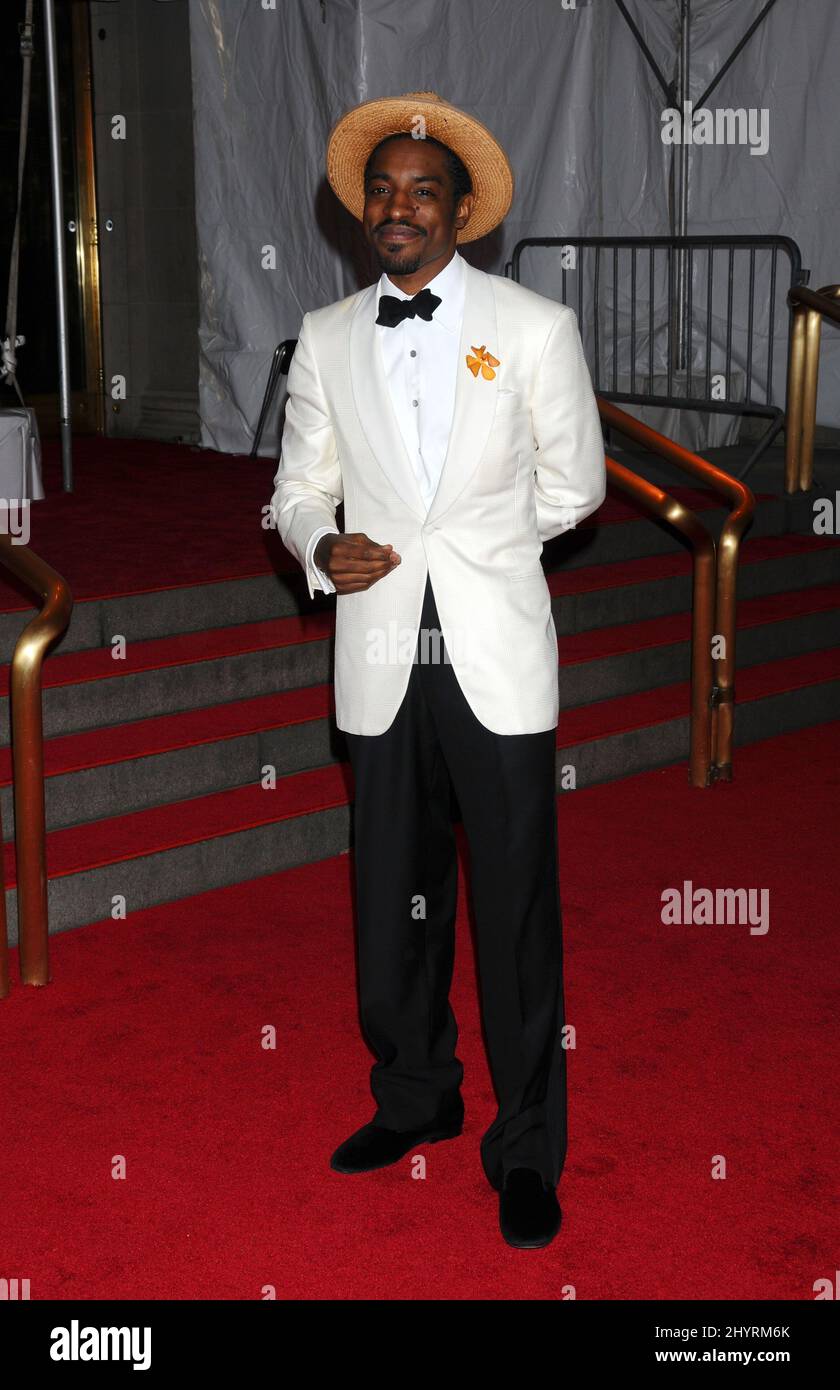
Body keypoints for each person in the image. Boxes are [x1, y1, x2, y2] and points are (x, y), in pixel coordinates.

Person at [270, 91, 606, 1248]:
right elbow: (296, 487)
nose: (397, 207)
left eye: (422, 191)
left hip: (493, 655)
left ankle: (525, 1146)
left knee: (513, 913)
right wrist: (320, 542)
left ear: (462, 210)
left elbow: (578, 486)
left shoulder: (533, 328)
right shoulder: (322, 337)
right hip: (376, 651)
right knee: (390, 904)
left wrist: (483, 548)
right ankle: (414, 1096)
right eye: (383, 189)